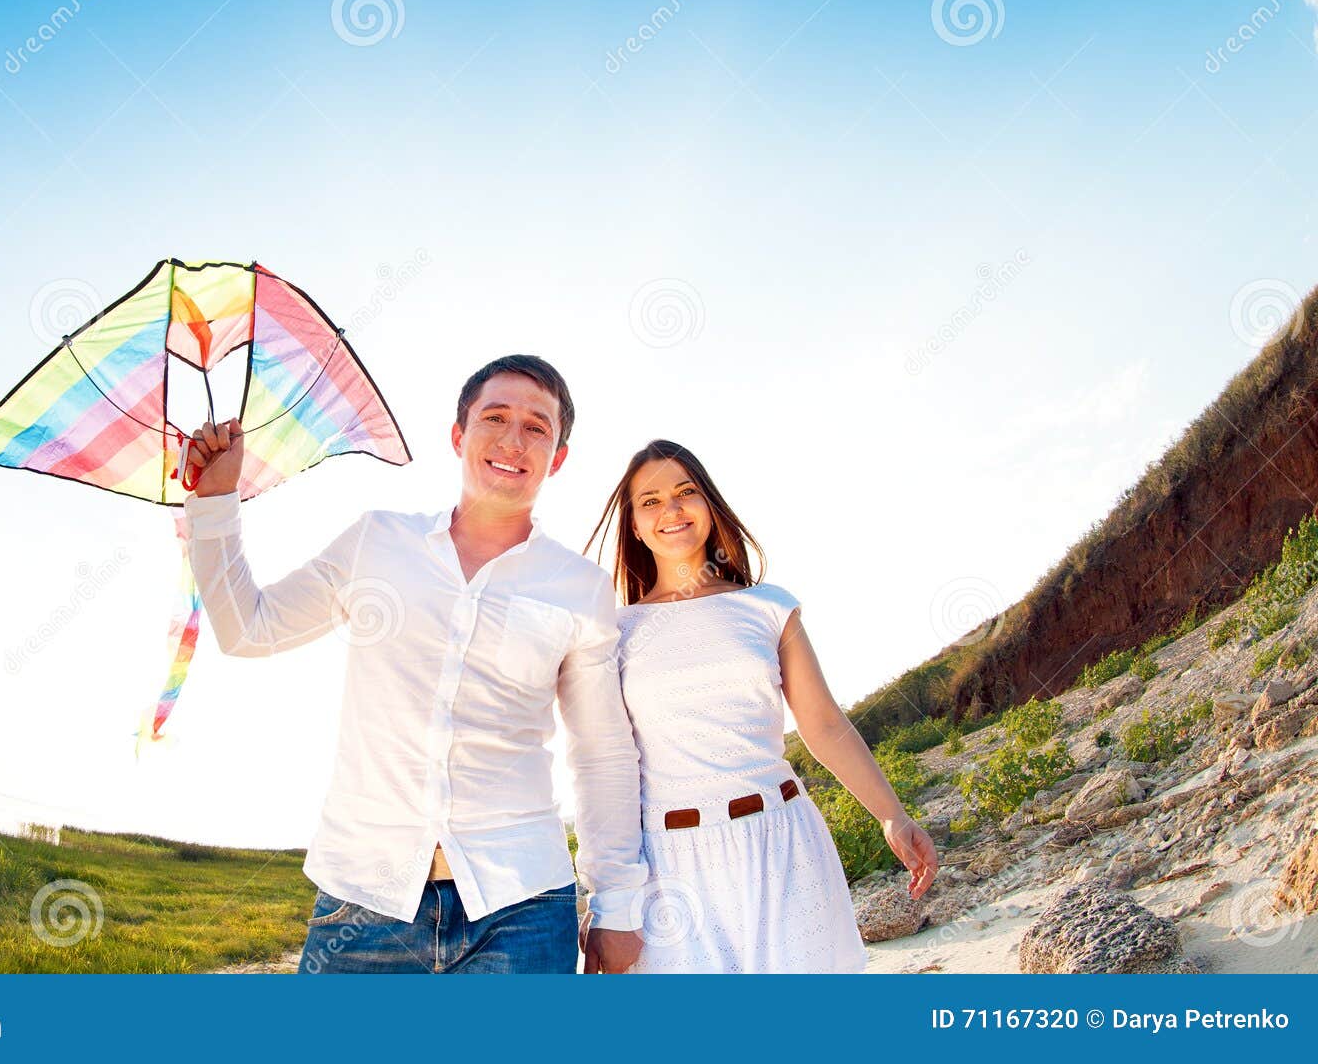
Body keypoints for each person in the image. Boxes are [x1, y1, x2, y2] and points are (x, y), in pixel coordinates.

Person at [182, 355, 647, 973]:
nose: (513, 439)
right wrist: (216, 502)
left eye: (538, 427)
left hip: (522, 908)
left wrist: (617, 906)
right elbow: (248, 629)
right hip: (364, 902)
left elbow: (601, 753)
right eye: (496, 417)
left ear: (557, 456)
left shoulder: (578, 586)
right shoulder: (377, 542)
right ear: (459, 436)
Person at [585, 439, 938, 973]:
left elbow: (822, 724)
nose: (672, 510)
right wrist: (609, 899)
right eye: (651, 500)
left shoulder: (768, 607)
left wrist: (892, 815)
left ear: (710, 504)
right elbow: (603, 765)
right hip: (669, 867)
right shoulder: (612, 632)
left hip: (784, 842)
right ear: (633, 524)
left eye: (686, 492)